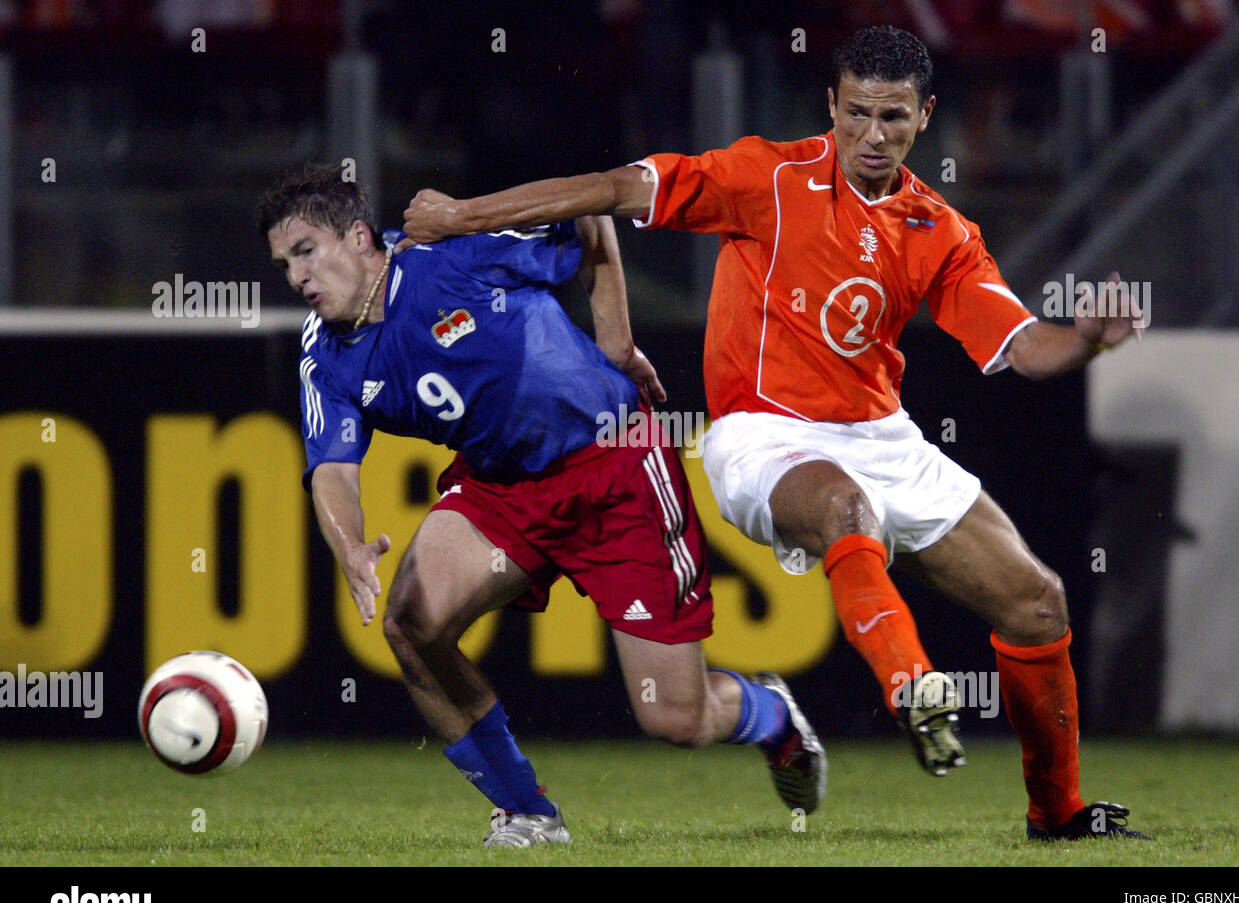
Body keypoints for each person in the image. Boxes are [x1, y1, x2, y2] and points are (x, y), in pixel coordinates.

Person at [396, 25, 1149, 841]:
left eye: (892, 117)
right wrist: (463, 214)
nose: (871, 135)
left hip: (879, 434)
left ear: (925, 116)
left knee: (1038, 602)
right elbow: (614, 189)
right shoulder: (765, 175)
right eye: (856, 112)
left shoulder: (941, 232)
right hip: (762, 435)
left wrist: (1086, 339)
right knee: (842, 507)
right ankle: (912, 684)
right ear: (830, 104)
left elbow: (1025, 347)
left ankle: (1060, 815)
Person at [257, 164, 826, 848]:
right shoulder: (324, 352)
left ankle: (773, 718)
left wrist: (616, 340)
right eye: (284, 264)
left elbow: (589, 219)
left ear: (357, 237)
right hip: (503, 486)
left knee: (677, 719)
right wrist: (348, 543)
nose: (295, 278)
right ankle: (526, 810)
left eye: (304, 252)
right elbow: (332, 470)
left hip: (614, 467)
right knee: (412, 623)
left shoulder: (449, 254)